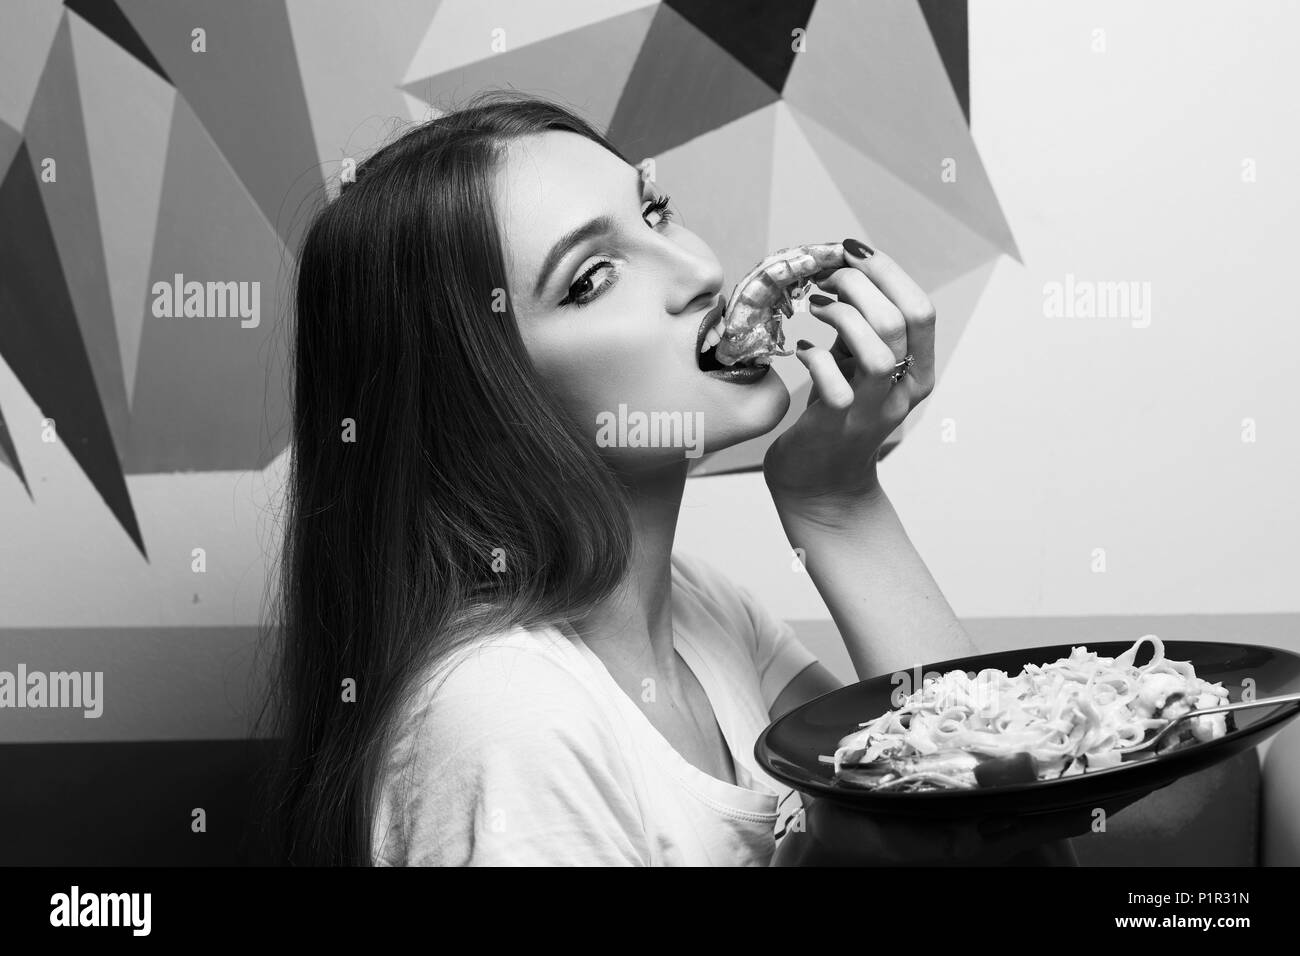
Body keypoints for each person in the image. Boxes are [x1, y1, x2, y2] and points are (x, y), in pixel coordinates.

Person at [261, 90, 991, 866]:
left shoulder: (709, 617)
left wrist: (841, 502)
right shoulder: (507, 722)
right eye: (591, 278)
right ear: (479, 397)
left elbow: (982, 810)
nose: (702, 272)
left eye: (657, 213)